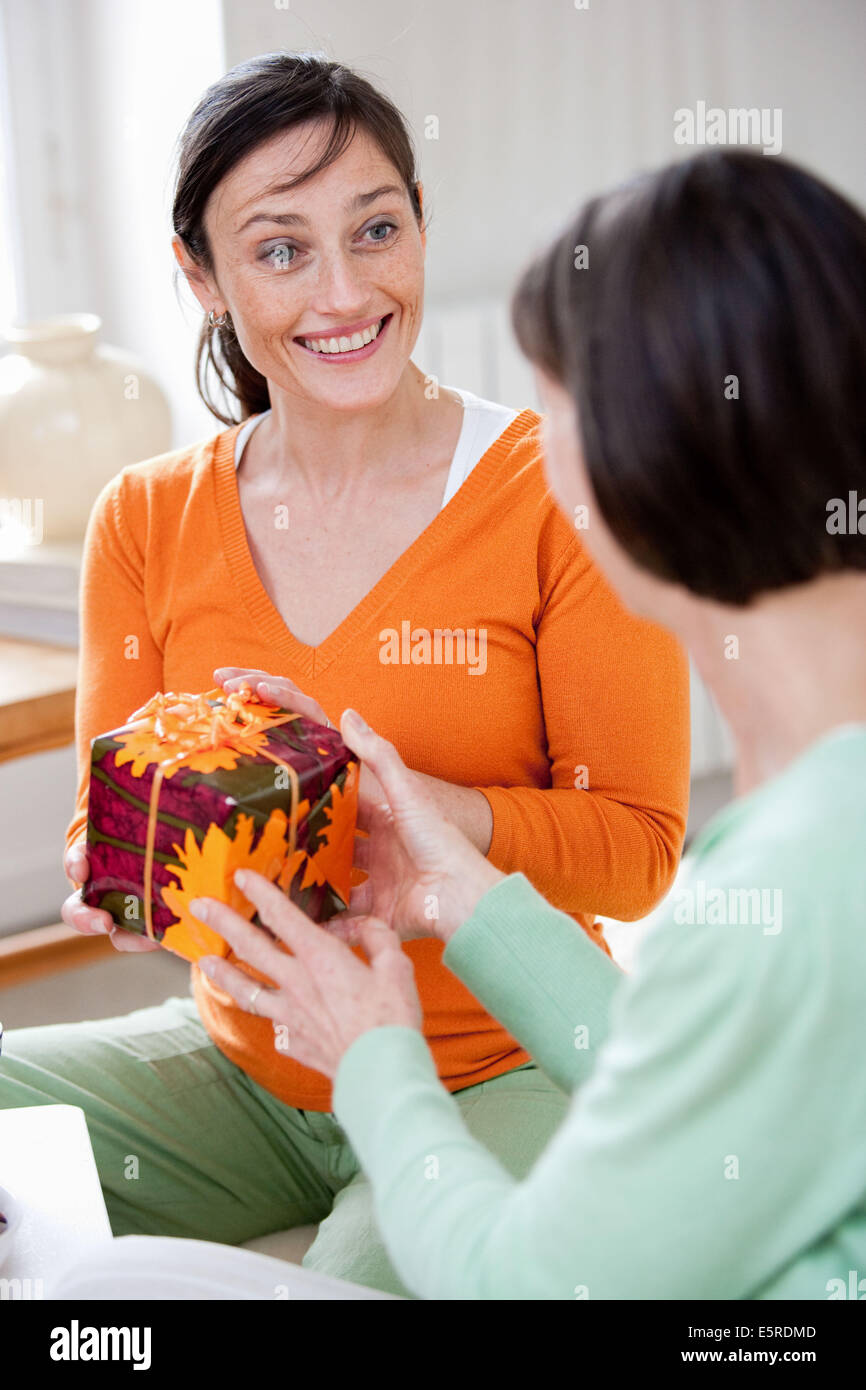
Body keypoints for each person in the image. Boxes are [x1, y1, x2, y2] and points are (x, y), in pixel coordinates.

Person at [0, 54, 688, 1299]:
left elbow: (640, 846)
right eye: (278, 250)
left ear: (418, 222)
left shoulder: (562, 494)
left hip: (499, 1067)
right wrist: (132, 877)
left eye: (375, 229)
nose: (344, 291)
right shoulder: (143, 518)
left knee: (345, 1293)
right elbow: (119, 802)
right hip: (243, 1068)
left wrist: (419, 821)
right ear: (198, 274)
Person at [184, 148, 866, 1298]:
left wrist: (374, 1060)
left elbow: (532, 1286)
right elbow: (694, 1065)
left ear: (631, 457)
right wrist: (467, 899)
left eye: (549, 412)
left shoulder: (792, 884)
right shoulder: (812, 833)